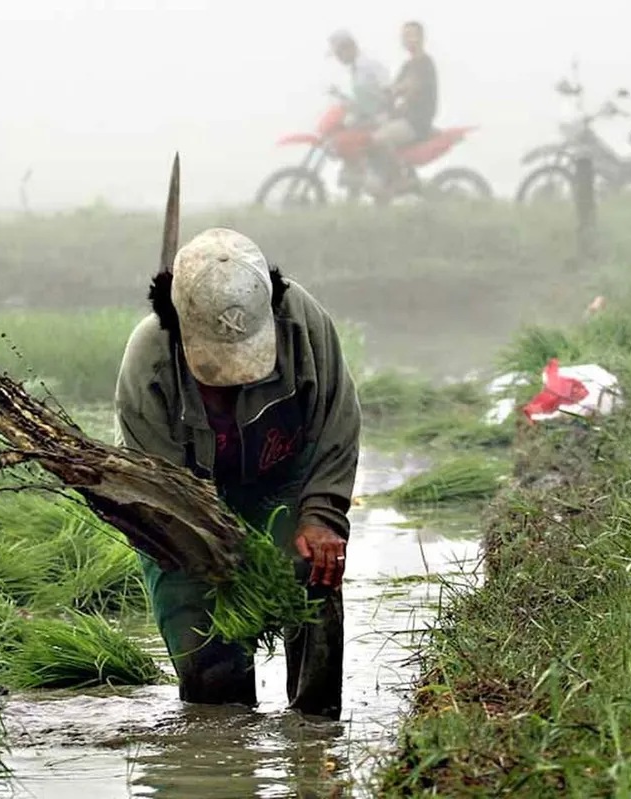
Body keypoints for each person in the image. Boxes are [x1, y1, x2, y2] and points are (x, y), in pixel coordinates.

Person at [114, 227, 360, 719]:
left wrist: (322, 514)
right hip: (182, 509)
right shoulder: (149, 362)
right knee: (204, 650)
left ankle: (316, 734)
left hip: (282, 485)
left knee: (316, 569)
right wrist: (208, 544)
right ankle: (220, 745)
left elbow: (335, 421)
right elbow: (157, 491)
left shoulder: (303, 326)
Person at [367, 21, 439, 198]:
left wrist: (396, 91)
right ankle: (384, 180)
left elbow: (411, 85)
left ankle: (400, 179)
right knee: (369, 129)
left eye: (412, 35)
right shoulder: (407, 65)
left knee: (378, 139)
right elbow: (393, 88)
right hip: (405, 119)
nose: (408, 39)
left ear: (422, 38)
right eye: (405, 36)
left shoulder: (424, 63)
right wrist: (375, 95)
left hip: (416, 121)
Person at [327, 29, 391, 126]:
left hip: (382, 119)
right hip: (370, 119)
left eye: (339, 53)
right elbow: (363, 103)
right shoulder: (355, 71)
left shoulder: (371, 65)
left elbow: (387, 94)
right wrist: (339, 95)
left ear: (351, 46)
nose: (338, 58)